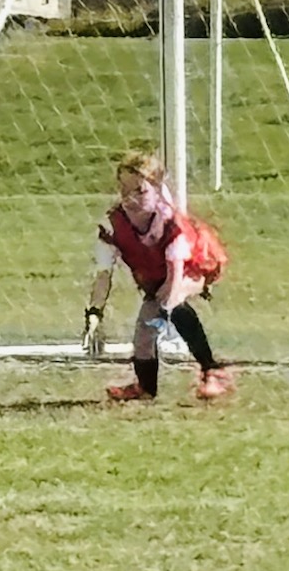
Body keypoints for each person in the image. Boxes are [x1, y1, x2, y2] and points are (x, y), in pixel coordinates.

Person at [84, 149, 235, 403]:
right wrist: (94, 312)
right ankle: (146, 387)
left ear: (157, 190)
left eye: (140, 191)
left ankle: (213, 372)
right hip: (155, 280)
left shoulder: (168, 223)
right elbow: (103, 275)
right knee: (143, 335)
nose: (130, 198)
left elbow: (175, 276)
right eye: (124, 189)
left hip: (192, 269)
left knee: (169, 307)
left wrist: (162, 311)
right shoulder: (113, 225)